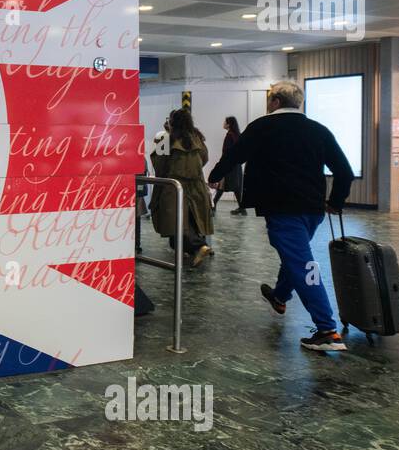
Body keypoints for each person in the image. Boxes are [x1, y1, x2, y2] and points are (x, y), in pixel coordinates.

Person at [208, 80, 354, 353]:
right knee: (296, 257)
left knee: (303, 263)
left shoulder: (263, 126)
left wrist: (214, 176)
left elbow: (234, 156)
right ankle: (279, 296)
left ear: (275, 102)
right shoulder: (318, 130)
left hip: (282, 208)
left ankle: (327, 330)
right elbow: (344, 171)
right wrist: (335, 201)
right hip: (312, 210)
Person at [149, 108, 213, 268]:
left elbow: (159, 164)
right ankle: (191, 249)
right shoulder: (197, 138)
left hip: (174, 187)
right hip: (196, 186)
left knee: (176, 221)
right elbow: (205, 158)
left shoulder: (164, 139)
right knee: (193, 219)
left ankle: (199, 247)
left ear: (172, 122)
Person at [211, 116, 246, 215]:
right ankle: (242, 208)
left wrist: (223, 164)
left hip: (229, 164)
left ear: (229, 124)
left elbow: (226, 152)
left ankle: (213, 205)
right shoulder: (237, 135)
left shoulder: (229, 136)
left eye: (225, 122)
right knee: (236, 187)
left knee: (222, 185)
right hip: (236, 165)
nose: (223, 123)